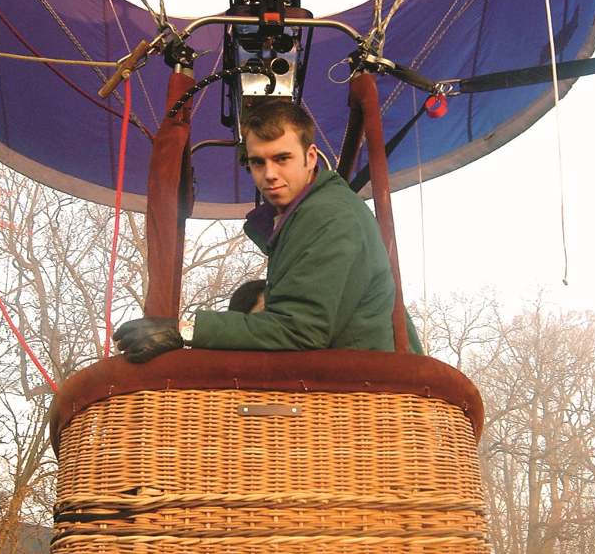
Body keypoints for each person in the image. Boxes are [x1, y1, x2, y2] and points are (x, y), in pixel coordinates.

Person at [113, 101, 422, 362]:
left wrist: (184, 330)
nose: (270, 174)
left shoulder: (328, 216)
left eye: (282, 158)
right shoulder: (306, 214)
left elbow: (300, 330)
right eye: (258, 163)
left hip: (369, 399)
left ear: (310, 156)